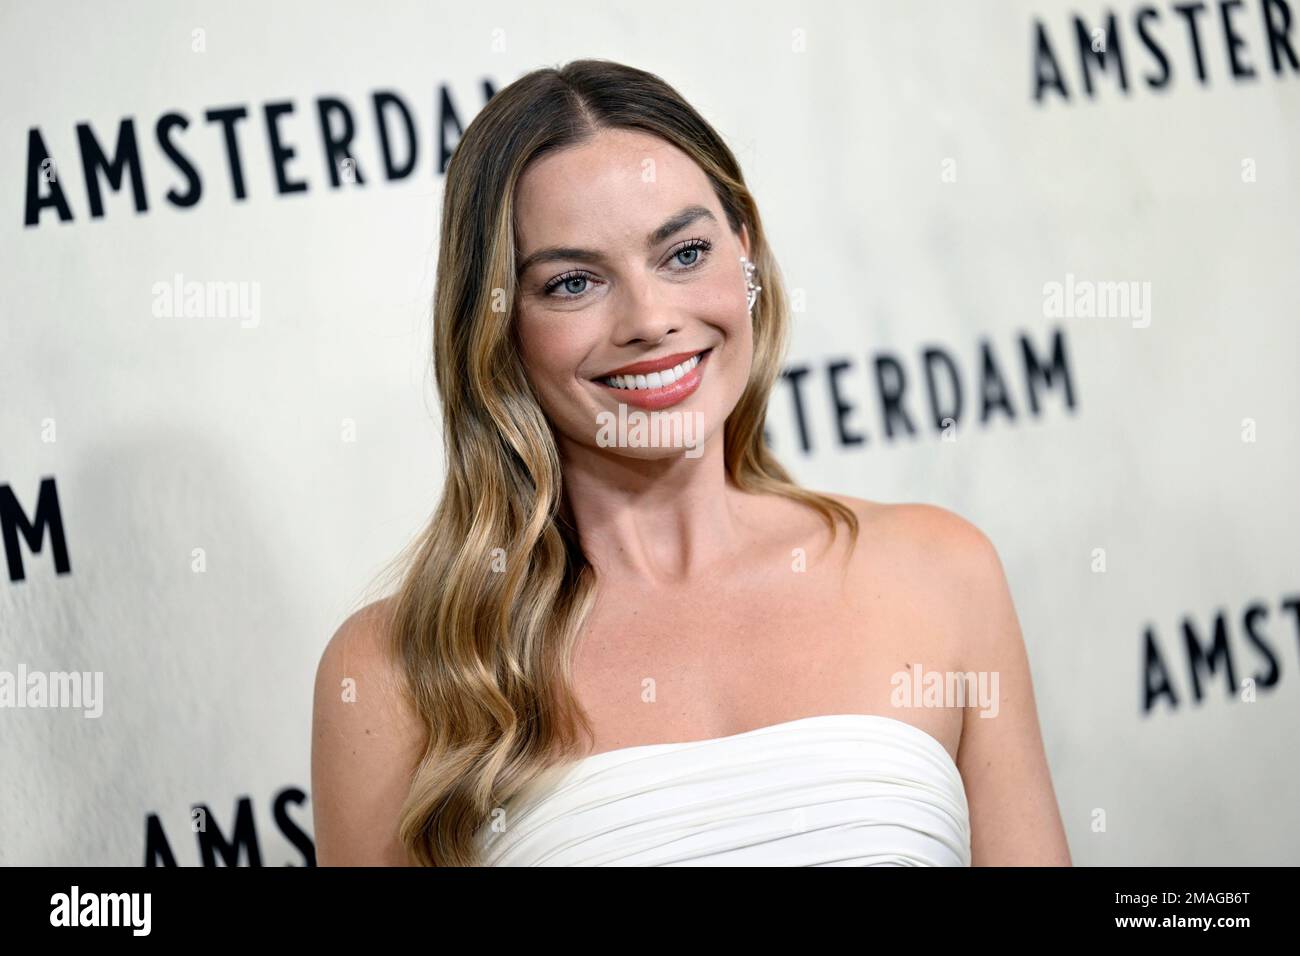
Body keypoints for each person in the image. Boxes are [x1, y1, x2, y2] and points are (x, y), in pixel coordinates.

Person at [311, 58, 1071, 867]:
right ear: (497, 326)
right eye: (572, 282)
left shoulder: (938, 571)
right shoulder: (400, 672)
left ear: (745, 255)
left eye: (683, 254)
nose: (650, 319)